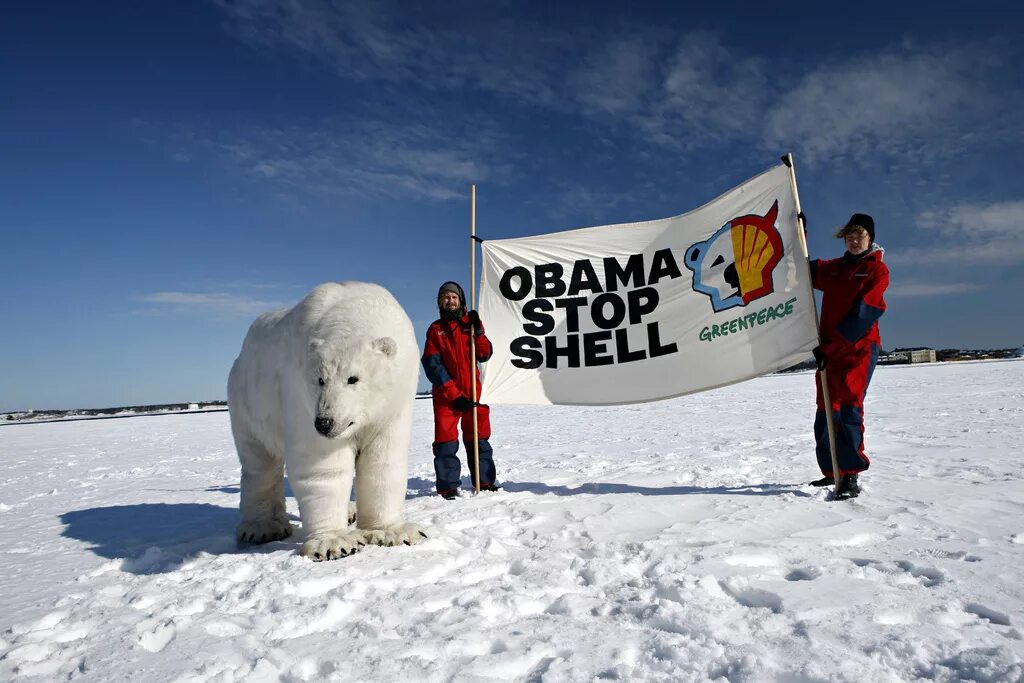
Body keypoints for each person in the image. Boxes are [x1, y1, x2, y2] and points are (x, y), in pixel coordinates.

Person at [809, 213, 890, 498]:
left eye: (861, 235)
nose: (855, 240)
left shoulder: (876, 271)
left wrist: (831, 346)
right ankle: (832, 471)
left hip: (857, 350)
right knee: (825, 408)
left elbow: (864, 314)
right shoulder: (835, 269)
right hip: (828, 350)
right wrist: (798, 234)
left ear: (870, 238)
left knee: (847, 409)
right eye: (850, 236)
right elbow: (803, 269)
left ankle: (851, 474)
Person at [421, 281, 499, 499]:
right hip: (447, 398)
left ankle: (484, 482)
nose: (450, 300)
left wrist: (479, 331)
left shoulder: (470, 325)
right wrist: (454, 395)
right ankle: (448, 487)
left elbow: (484, 354)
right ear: (440, 302)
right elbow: (432, 365)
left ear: (461, 300)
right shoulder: (435, 330)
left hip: (473, 394)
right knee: (446, 442)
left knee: (479, 438)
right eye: (446, 297)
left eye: (454, 297)